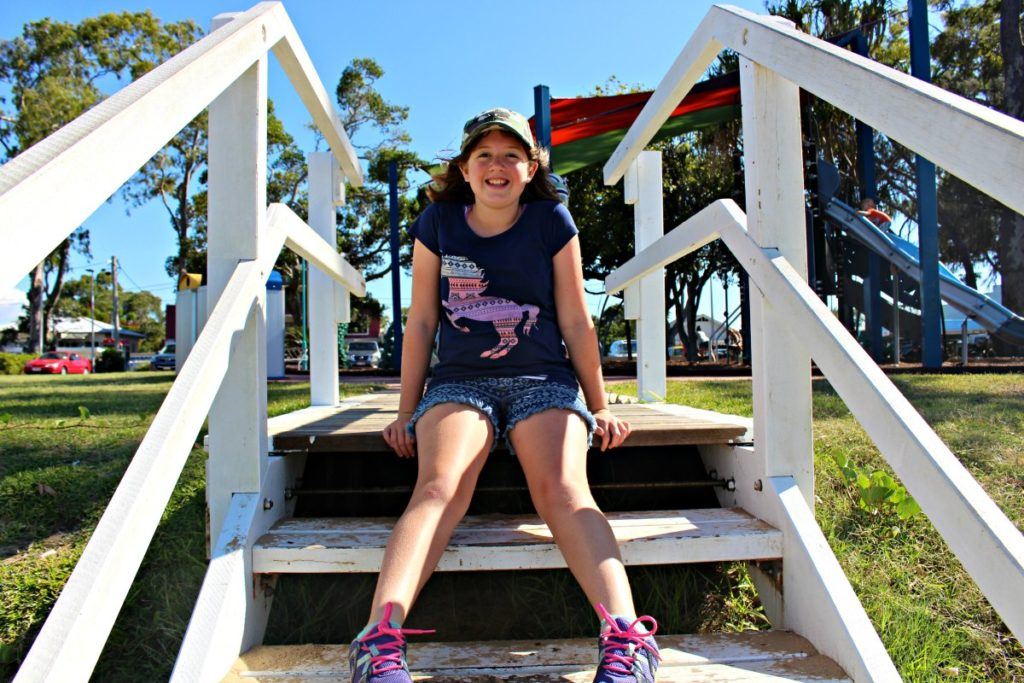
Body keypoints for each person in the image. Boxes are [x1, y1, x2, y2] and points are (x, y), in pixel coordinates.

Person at [349, 108, 660, 683]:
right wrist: (403, 412)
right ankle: (378, 643)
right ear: (464, 169)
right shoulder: (438, 223)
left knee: (565, 490)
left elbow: (575, 319)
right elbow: (420, 323)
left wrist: (599, 405)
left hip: (544, 381)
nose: (497, 165)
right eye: (484, 155)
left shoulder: (551, 221)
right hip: (460, 383)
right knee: (440, 486)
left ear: (531, 165)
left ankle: (626, 640)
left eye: (510, 154)